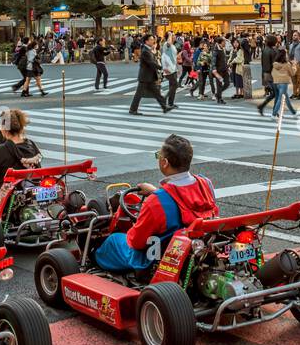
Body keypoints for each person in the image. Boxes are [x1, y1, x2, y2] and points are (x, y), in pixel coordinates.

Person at [93, 135, 218, 274]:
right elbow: (185, 202)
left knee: (114, 240)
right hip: (197, 245)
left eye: (158, 155)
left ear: (164, 162)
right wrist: (155, 192)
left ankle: (91, 263)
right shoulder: (206, 184)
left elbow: (136, 242)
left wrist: (153, 198)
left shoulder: (156, 201)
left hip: (158, 258)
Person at [130, 34, 169, 115]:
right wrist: (161, 67)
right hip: (145, 76)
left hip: (149, 76)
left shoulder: (148, 49)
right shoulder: (145, 51)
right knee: (139, 94)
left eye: (153, 39)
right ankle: (133, 110)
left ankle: (164, 107)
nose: (153, 41)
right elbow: (151, 63)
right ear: (146, 41)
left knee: (156, 93)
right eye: (151, 40)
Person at [161, 33, 180, 109]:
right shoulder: (166, 44)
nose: (175, 37)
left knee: (172, 86)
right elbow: (168, 42)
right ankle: (164, 99)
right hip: (168, 69)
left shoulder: (173, 46)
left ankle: (170, 103)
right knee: (175, 84)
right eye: (173, 36)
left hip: (173, 68)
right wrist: (169, 34)